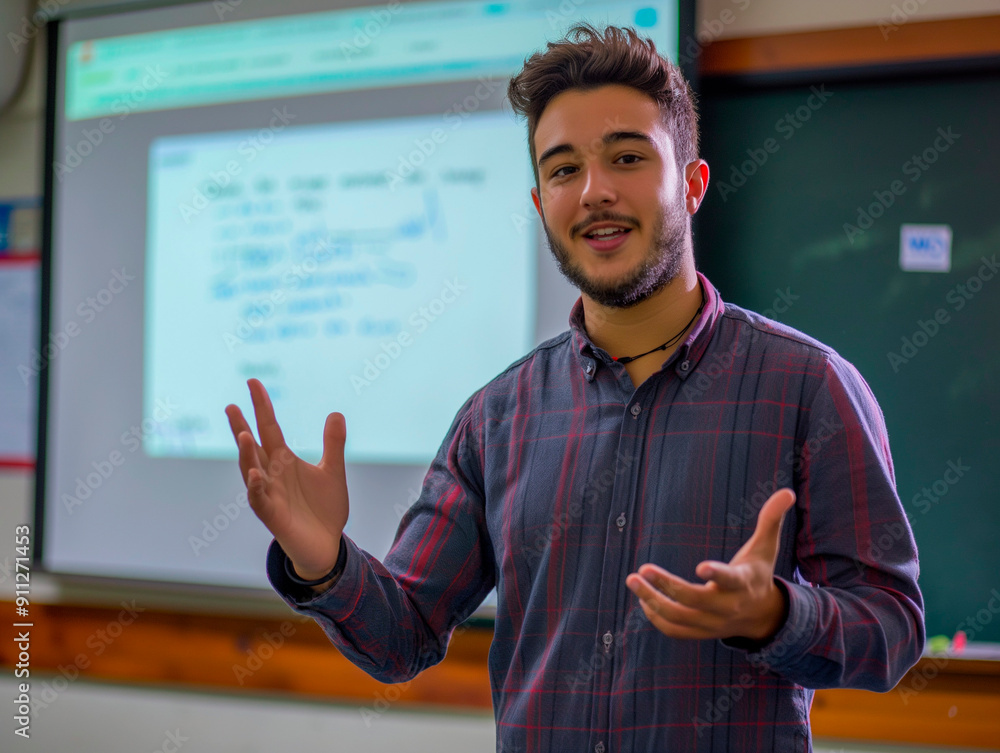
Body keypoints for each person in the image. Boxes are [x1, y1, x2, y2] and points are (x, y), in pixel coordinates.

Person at [226, 23, 924, 753]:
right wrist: (322, 561)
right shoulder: (496, 419)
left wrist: (776, 613)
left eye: (626, 157)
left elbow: (893, 628)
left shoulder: (809, 387)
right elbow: (404, 637)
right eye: (563, 170)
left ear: (691, 183)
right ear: (540, 205)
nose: (594, 191)